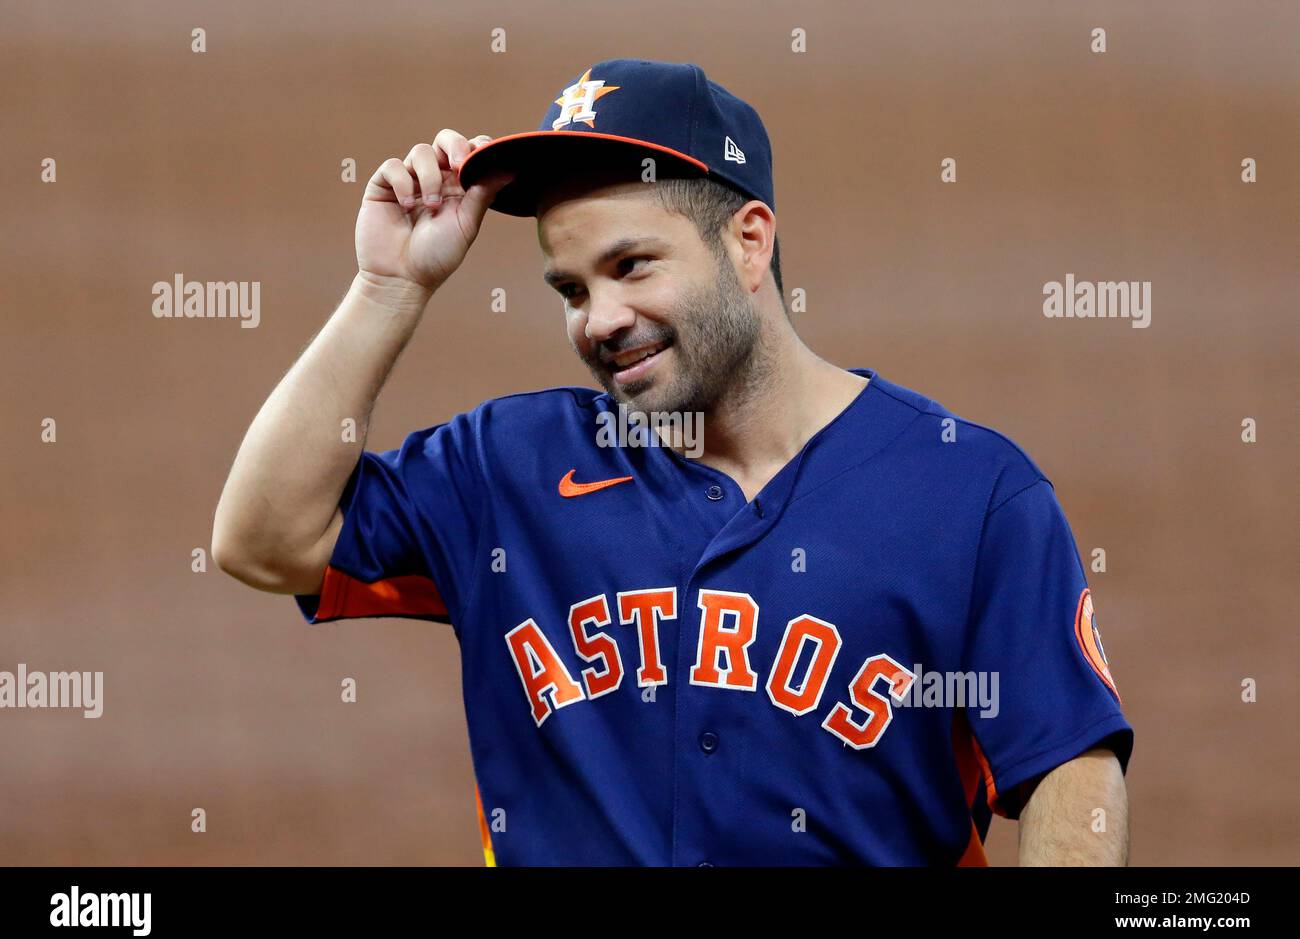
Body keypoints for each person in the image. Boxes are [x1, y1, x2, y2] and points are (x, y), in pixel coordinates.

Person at [213, 58, 1133, 866]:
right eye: (571, 289)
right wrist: (390, 287)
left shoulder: (966, 492)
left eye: (634, 266)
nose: (598, 319)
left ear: (749, 242)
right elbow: (263, 540)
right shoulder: (509, 469)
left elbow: (1066, 767)